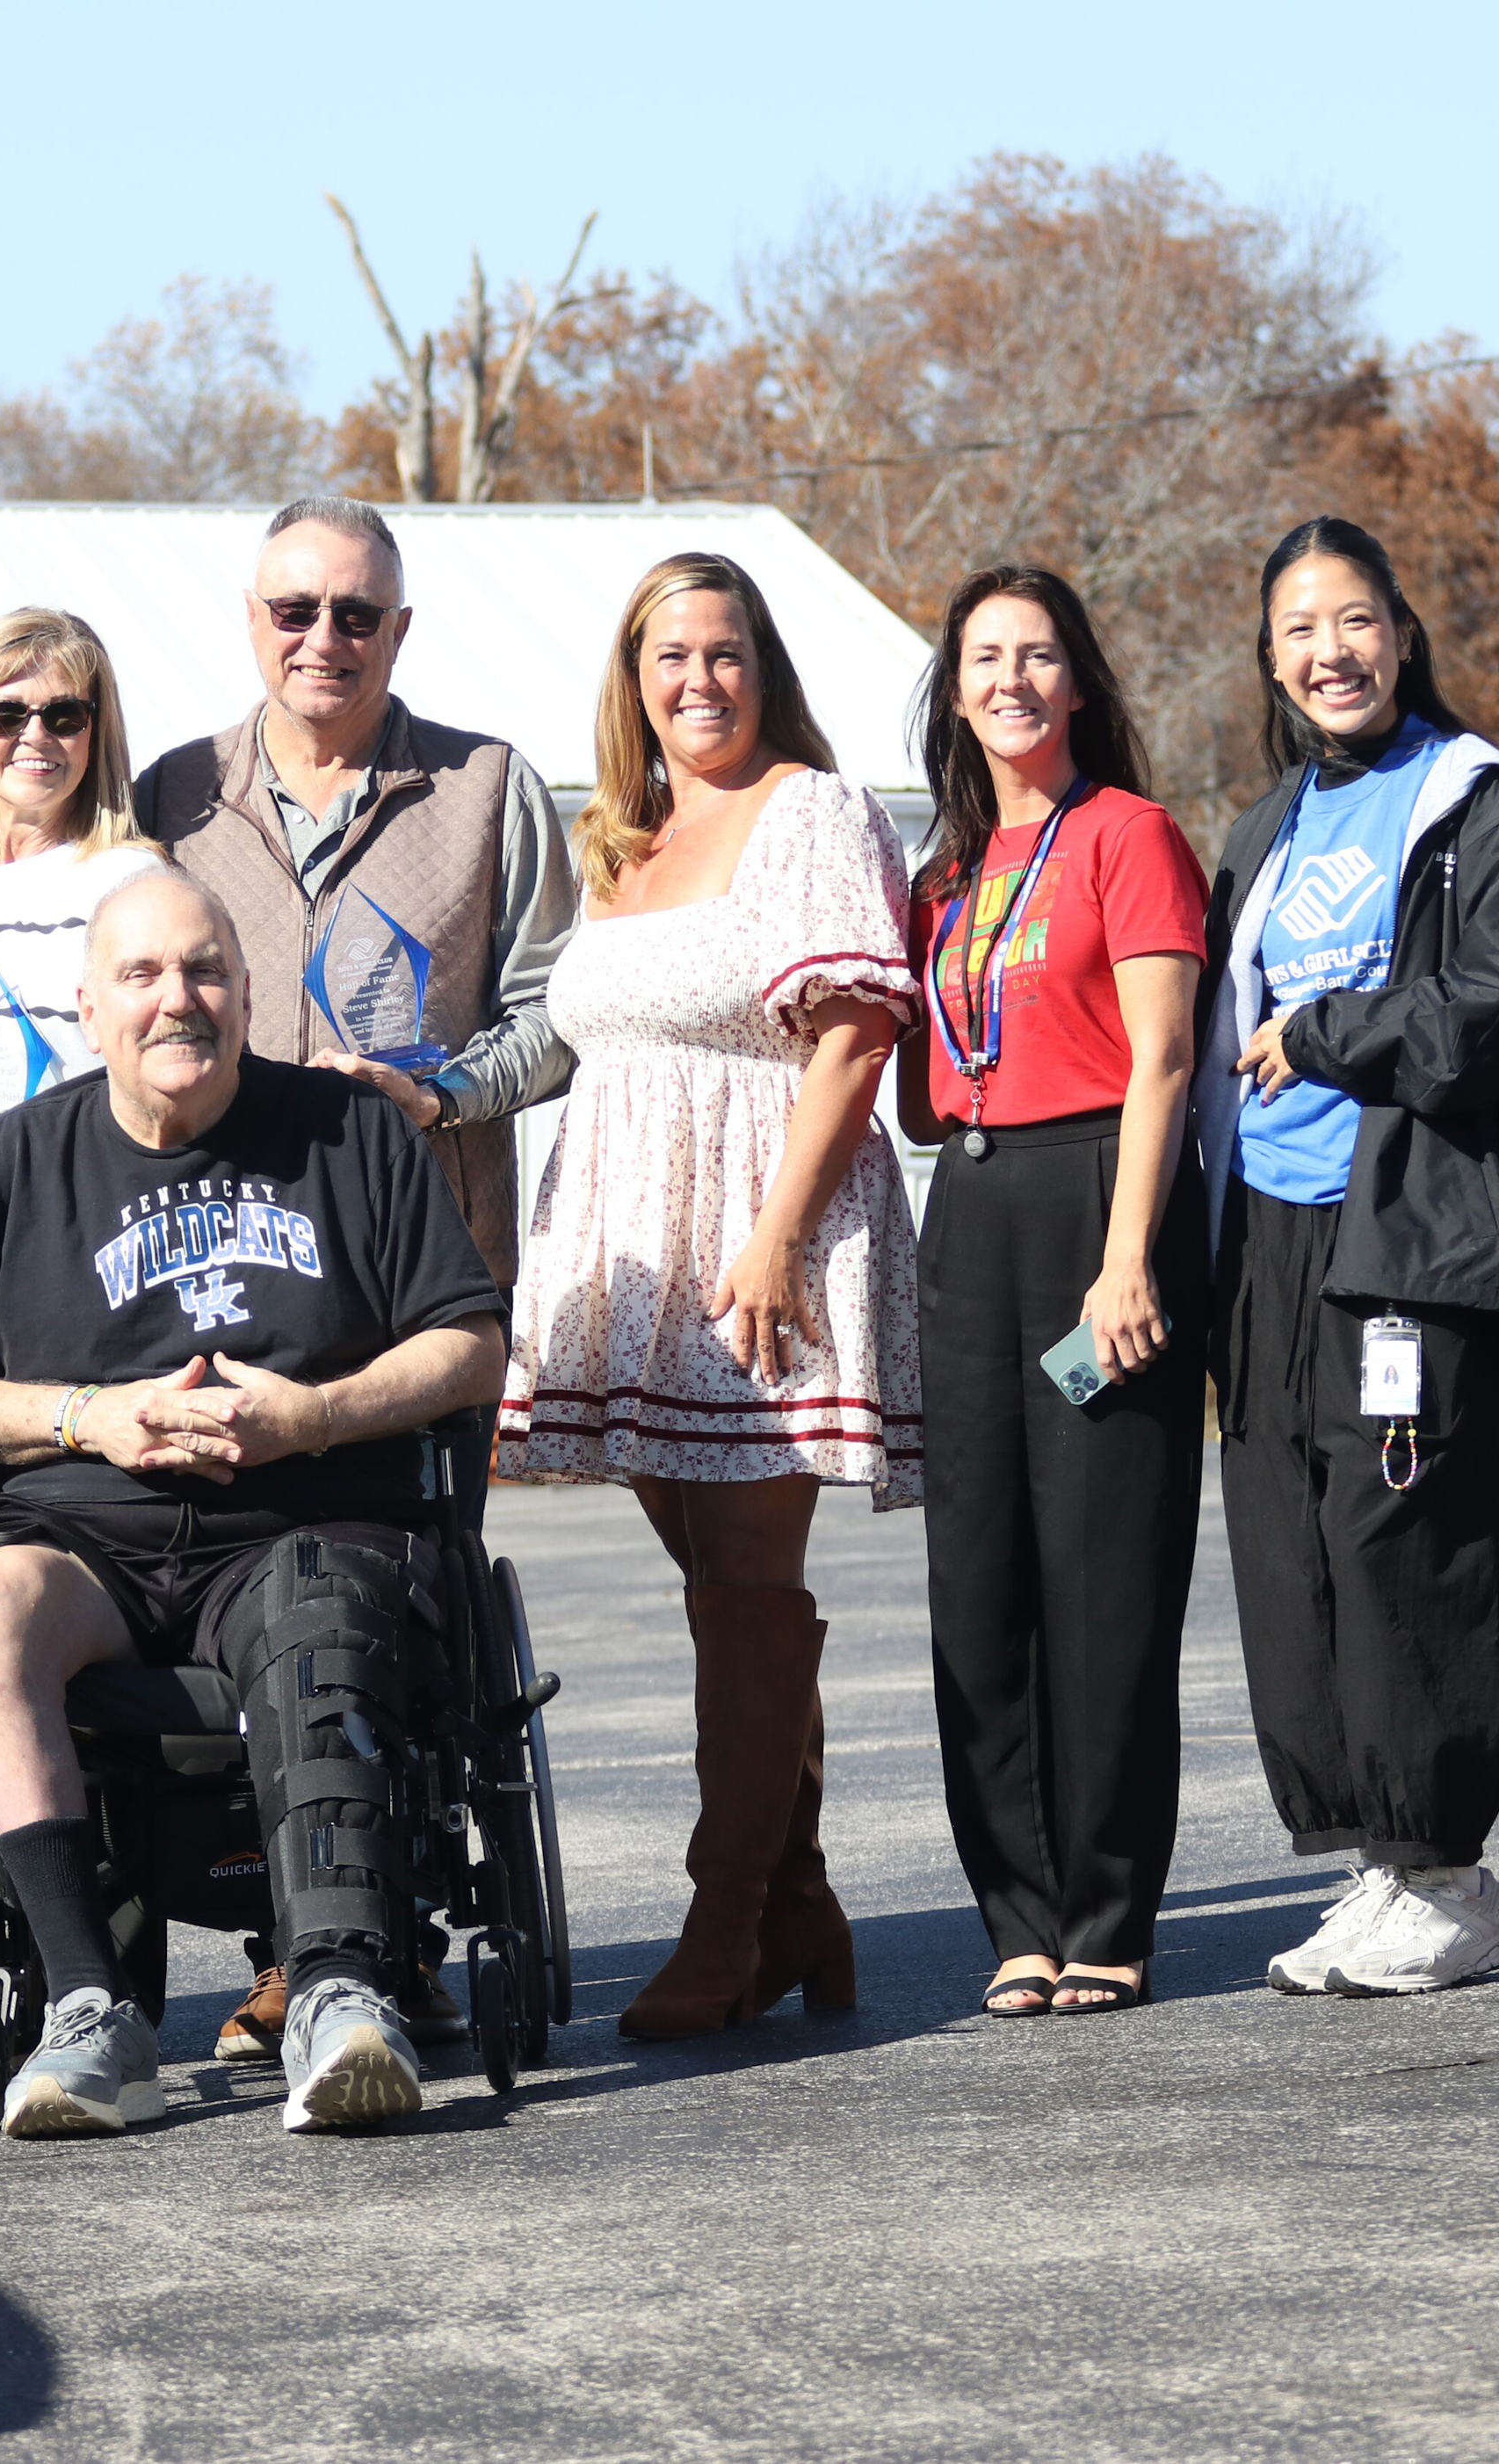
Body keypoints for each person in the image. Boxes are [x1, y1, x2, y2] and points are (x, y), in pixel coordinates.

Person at [0, 868, 510, 2138]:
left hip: (297, 1515)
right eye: (144, 975)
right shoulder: (9, 1164)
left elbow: (468, 1346)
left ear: (244, 987)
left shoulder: (351, 1137)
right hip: (83, 1535)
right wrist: (84, 1417)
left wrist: (314, 1416)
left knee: (322, 1603)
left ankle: (339, 1995)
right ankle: (87, 2006)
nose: (180, 1001)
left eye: (206, 970)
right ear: (88, 1004)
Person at [133, 491, 581, 2059]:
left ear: (401, 628)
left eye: (356, 613)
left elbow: (560, 1012)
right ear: (251, 621)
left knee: (403, 1594)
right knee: (249, 1589)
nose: (322, 638)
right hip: (221, 1277)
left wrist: (443, 1094)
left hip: (415, 1285)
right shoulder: (174, 791)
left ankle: (391, 1917)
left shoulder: (485, 787)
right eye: (292, 610)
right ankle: (292, 1940)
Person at [497, 549, 923, 2042]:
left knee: (747, 1592)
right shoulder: (620, 834)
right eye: (667, 654)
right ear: (632, 679)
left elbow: (860, 1032)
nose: (698, 679)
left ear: (765, 664)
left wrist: (776, 1237)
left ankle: (725, 1915)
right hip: (633, 1239)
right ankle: (798, 1900)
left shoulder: (809, 807)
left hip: (760, 1239)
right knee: (716, 1593)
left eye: (724, 650)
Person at [1192, 517, 1499, 2001]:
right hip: (1271, 1234)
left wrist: (1331, 1032)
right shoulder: (1262, 828)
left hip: (1410, 1226)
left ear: (1403, 634)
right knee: (1294, 1542)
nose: (1327, 651)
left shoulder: (1476, 802)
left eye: (1353, 619)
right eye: (1296, 628)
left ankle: (1451, 1872)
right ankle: (1375, 1859)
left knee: (1406, 1533)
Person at [894, 569, 1210, 2020]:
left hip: (1097, 1199)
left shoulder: (1127, 836)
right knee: (981, 1585)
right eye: (983, 657)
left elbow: (1160, 1059)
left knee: (1102, 1583)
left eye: (1036, 654)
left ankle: (1104, 1909)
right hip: (966, 1202)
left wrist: (1129, 1250)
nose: (1010, 677)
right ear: (953, 689)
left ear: (1077, 679)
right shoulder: (943, 877)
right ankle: (1014, 1912)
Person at [0, 607, 168, 1194]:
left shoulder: (135, 885)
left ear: (96, 732)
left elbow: (175, 1083)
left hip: (83, 1244)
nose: (35, 735)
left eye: (65, 715)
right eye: (6, 714)